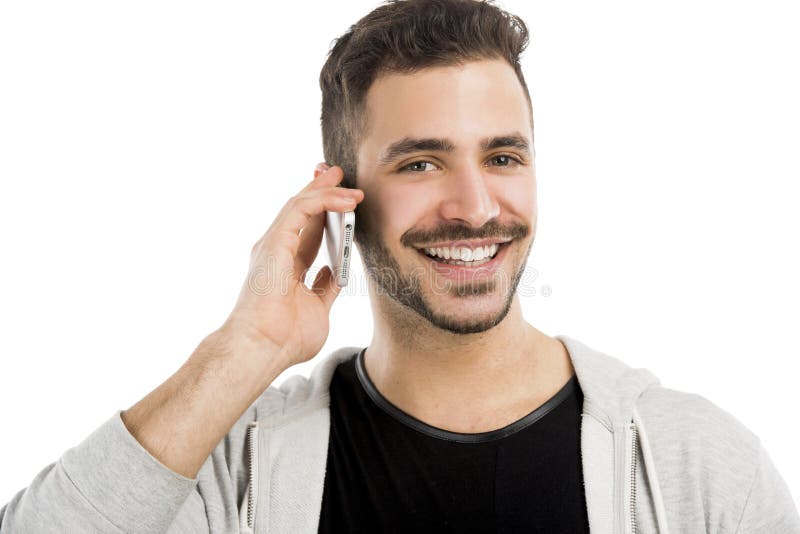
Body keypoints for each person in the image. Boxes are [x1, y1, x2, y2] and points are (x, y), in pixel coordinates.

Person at [1, 0, 798, 532]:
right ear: (340, 196)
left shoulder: (690, 462)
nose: (477, 205)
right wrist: (246, 348)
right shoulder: (239, 467)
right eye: (421, 164)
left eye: (504, 155)